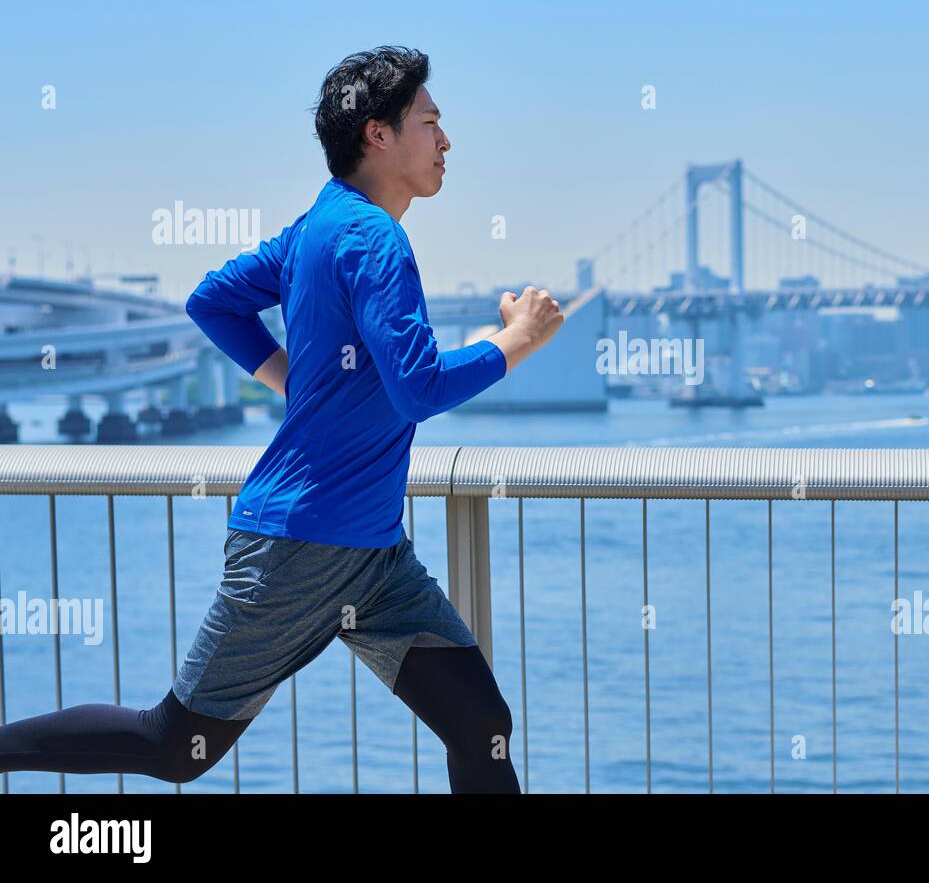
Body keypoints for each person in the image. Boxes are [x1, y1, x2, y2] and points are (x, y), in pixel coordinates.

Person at [0, 46, 564, 793]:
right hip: (299, 549)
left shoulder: (317, 227)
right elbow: (418, 387)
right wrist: (515, 340)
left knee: (479, 725)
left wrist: (291, 380)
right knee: (176, 745)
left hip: (374, 557)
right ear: (378, 134)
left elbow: (212, 299)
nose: (447, 141)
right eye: (430, 122)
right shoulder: (370, 238)